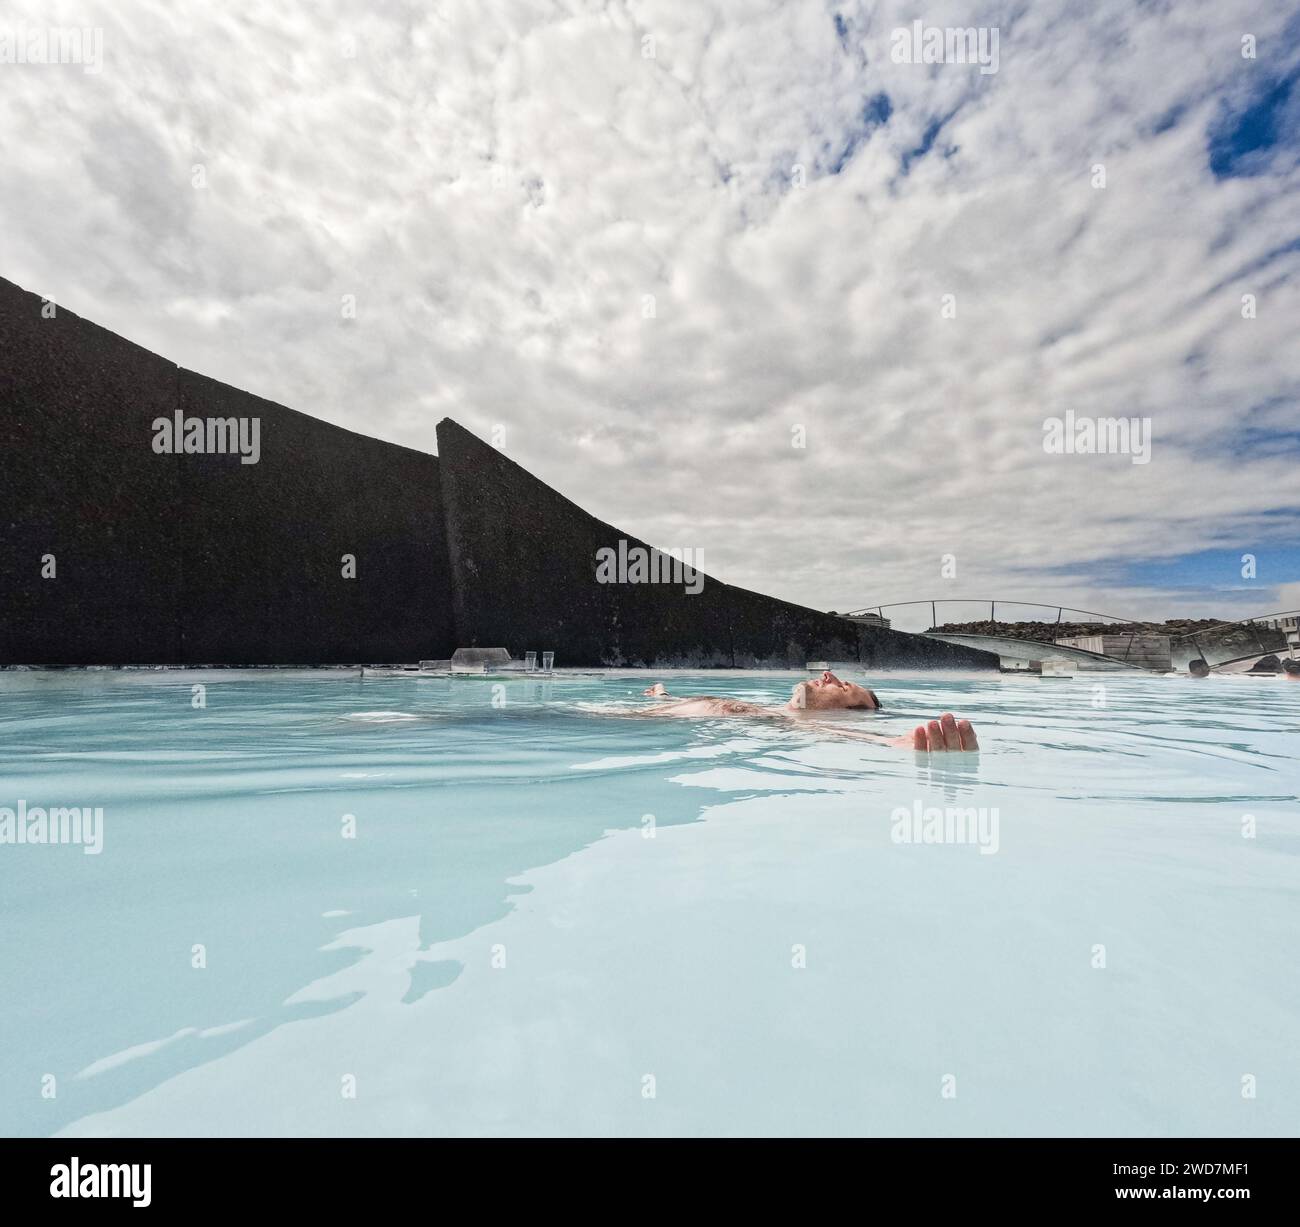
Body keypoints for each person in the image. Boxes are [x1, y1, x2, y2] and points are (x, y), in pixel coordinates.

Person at [639, 670, 979, 752]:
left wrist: (890, 742)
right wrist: (663, 694)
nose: (828, 675)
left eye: (843, 688)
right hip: (640, 715)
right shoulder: (770, 711)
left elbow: (820, 731)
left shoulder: (790, 723)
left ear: (848, 711)